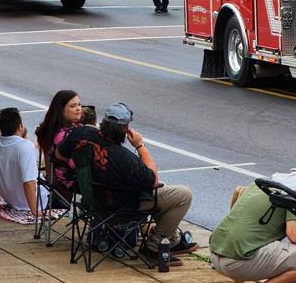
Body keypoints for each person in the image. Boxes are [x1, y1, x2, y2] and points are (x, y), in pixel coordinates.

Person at [57, 102, 196, 262]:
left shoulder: (80, 133)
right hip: (119, 209)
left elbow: (60, 156)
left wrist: (89, 169)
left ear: (104, 122)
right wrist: (140, 145)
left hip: (91, 201)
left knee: (162, 190)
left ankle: (170, 239)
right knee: (182, 195)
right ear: (125, 129)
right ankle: (155, 246)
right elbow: (152, 180)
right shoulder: (124, 158)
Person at [210, 167, 296, 283]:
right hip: (237, 263)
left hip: (216, 253)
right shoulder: (293, 193)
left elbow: (238, 191)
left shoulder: (262, 183)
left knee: (249, 237)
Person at [34, 89, 83, 200]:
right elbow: (75, 165)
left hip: (57, 181)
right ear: (61, 110)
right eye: (73, 106)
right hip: (70, 183)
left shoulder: (56, 129)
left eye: (79, 105)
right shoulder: (65, 134)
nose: (78, 109)